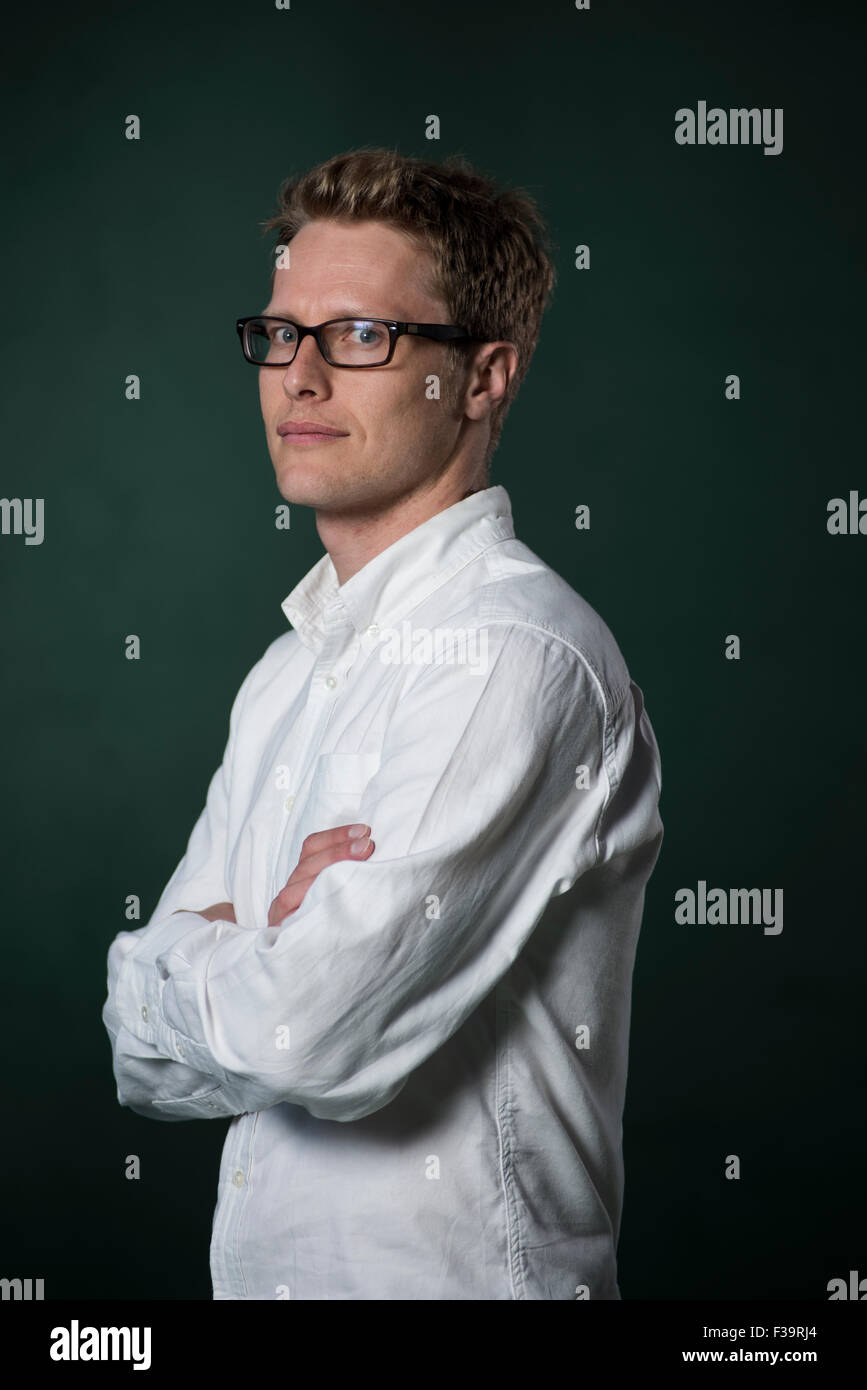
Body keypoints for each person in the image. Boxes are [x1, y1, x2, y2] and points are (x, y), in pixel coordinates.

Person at [101, 147, 664, 1300]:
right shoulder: (284, 675)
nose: (299, 378)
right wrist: (268, 945)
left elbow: (310, 1034)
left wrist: (217, 949)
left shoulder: (513, 654)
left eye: (361, 335)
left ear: (484, 377)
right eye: (281, 333)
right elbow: (132, 1052)